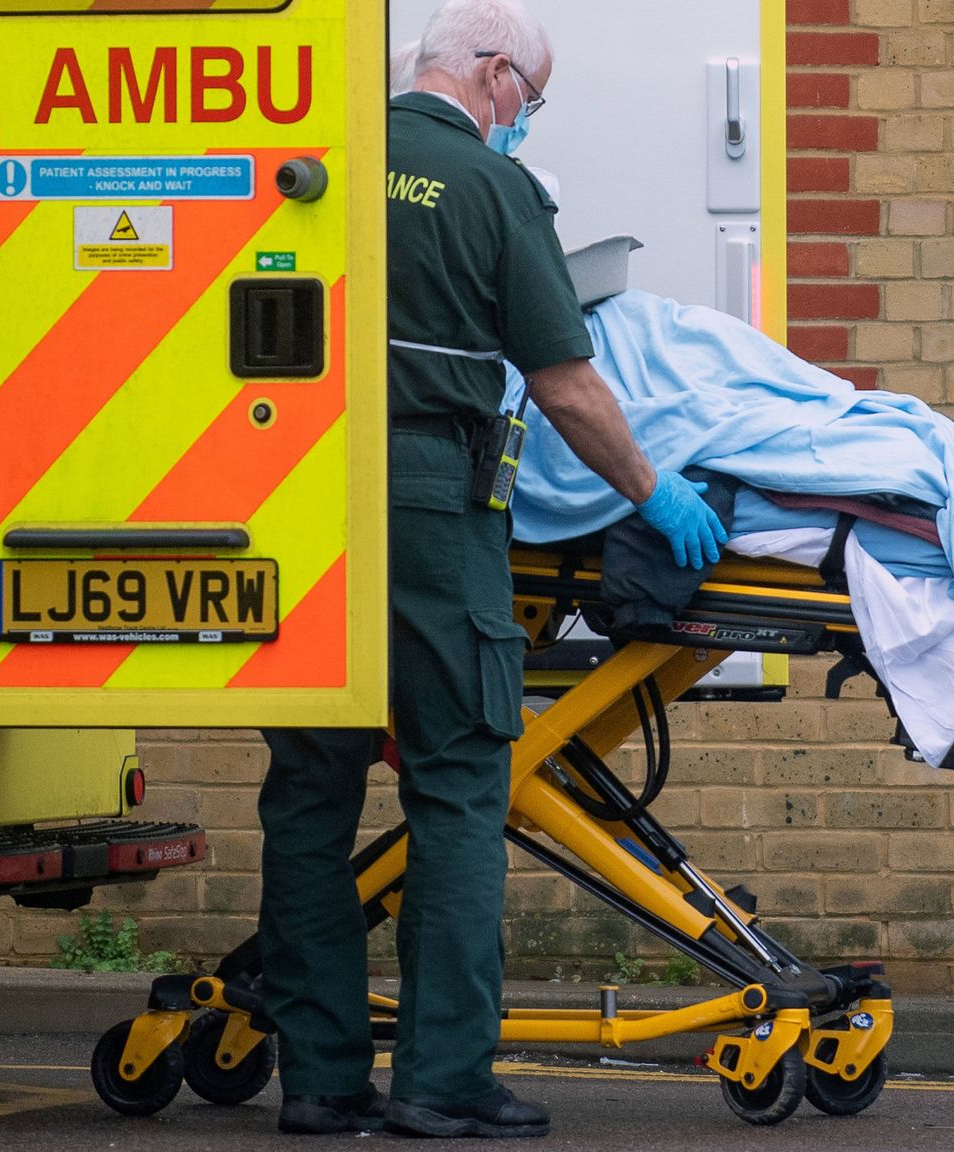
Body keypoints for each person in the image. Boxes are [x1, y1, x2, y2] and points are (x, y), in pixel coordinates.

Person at [256, 0, 727, 1139]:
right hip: (427, 501)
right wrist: (652, 492)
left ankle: (317, 1082)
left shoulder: (313, 164)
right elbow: (564, 384)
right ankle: (442, 1077)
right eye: (532, 97)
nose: (525, 119)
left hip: (296, 503)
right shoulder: (488, 187)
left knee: (308, 799)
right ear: (494, 73)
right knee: (460, 785)